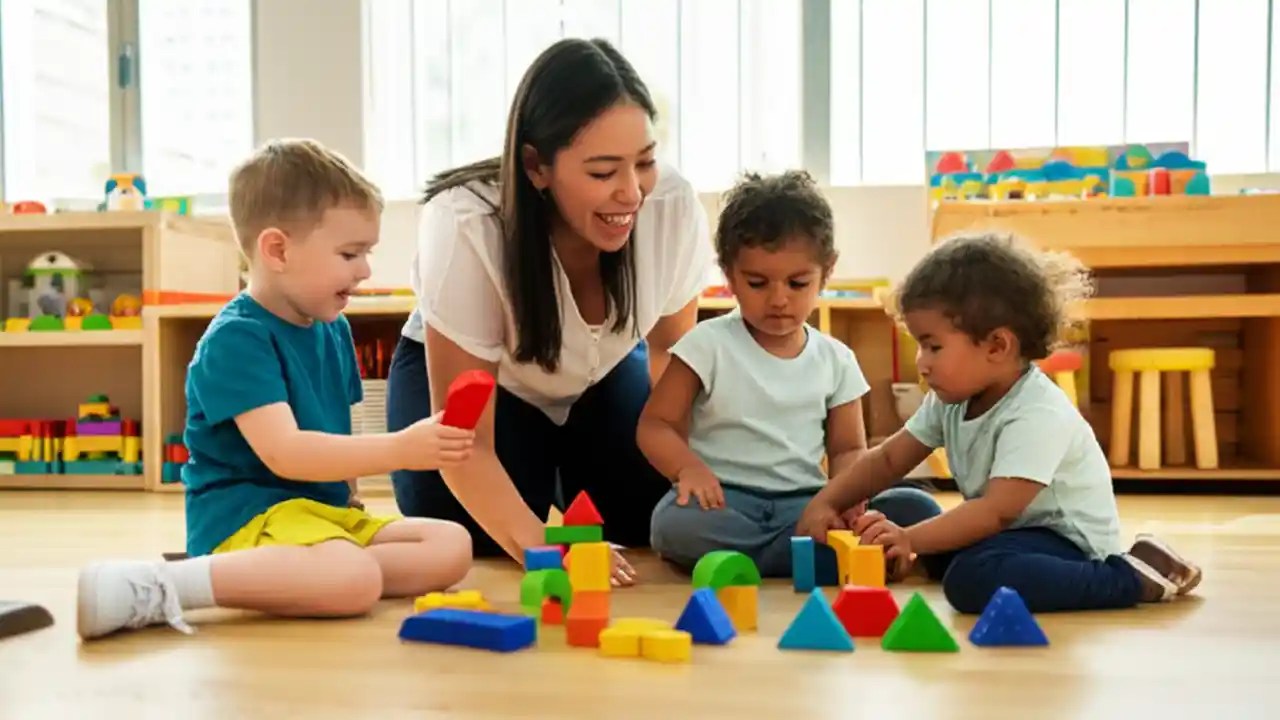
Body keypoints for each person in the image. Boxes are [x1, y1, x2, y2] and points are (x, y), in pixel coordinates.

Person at [75, 139, 475, 640]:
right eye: (350, 253)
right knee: (353, 578)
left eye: (365, 253)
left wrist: (349, 499)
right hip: (249, 518)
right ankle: (164, 584)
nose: (365, 269)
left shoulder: (333, 329)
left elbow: (337, 431)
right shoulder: (237, 338)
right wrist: (400, 448)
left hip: (318, 516)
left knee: (451, 545)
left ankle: (304, 576)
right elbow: (286, 453)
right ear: (278, 249)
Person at [386, 38, 714, 585]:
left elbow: (671, 366)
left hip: (600, 376)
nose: (631, 192)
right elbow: (465, 444)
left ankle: (566, 463)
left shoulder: (673, 207)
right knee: (467, 531)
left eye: (645, 162)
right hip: (491, 391)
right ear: (537, 166)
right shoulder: (467, 223)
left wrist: (694, 471)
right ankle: (551, 469)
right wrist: (543, 548)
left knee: (648, 515)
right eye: (603, 172)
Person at [796, 232, 1203, 613]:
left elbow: (995, 513)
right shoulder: (951, 399)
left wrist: (910, 539)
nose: (921, 362)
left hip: (1064, 544)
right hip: (1007, 535)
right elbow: (887, 461)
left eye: (933, 346)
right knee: (905, 504)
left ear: (997, 345)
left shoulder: (1037, 413)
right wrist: (827, 500)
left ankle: (1132, 577)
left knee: (974, 579)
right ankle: (925, 559)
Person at [638, 170, 943, 577]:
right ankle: (817, 557)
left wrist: (847, 497)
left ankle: (782, 556)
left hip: (807, 504)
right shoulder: (705, 345)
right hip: (724, 502)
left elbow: (847, 449)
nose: (779, 299)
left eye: (798, 283)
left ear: (827, 272)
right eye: (757, 283)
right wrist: (688, 468)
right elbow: (656, 425)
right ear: (729, 275)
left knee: (917, 508)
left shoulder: (836, 359)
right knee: (673, 525)